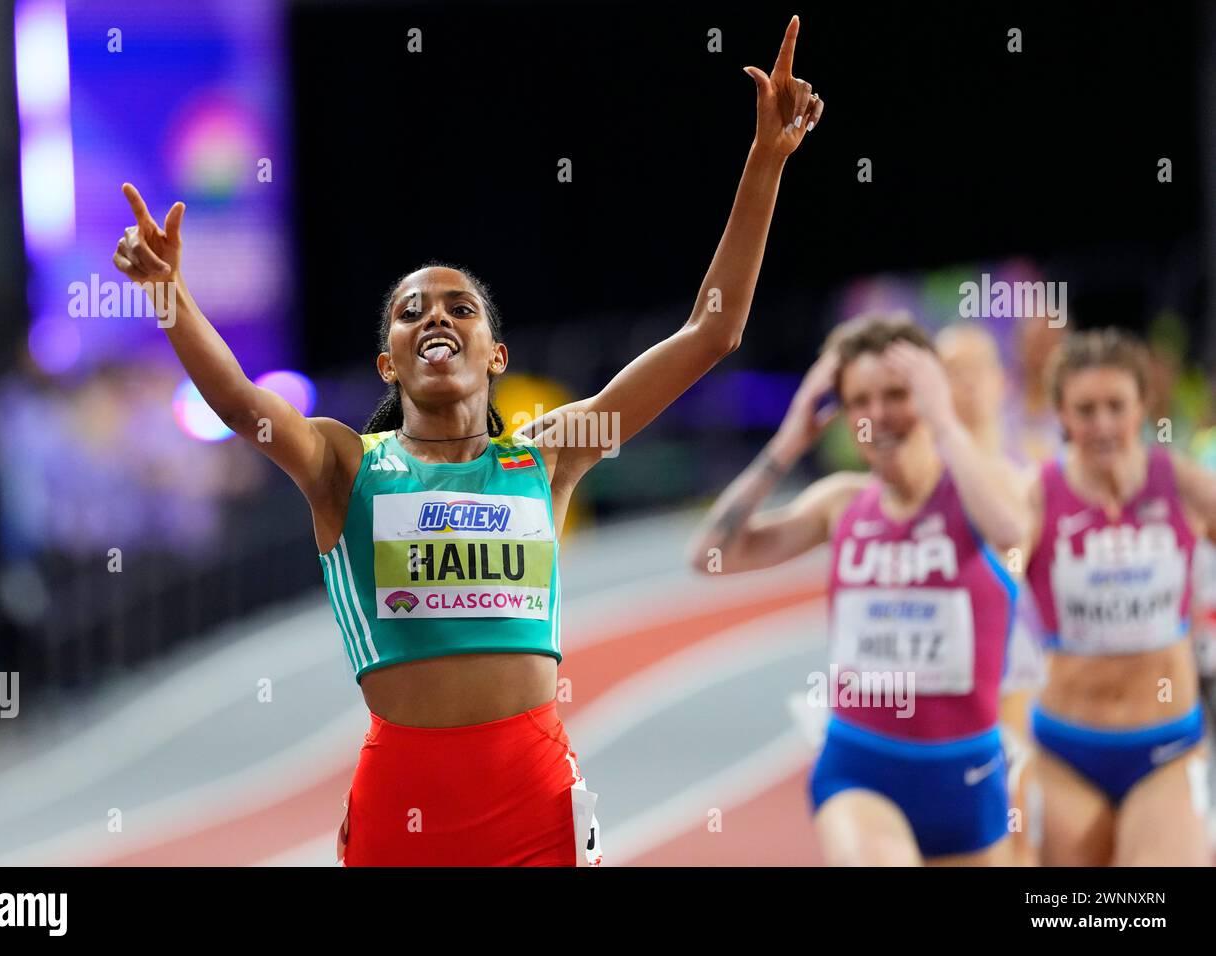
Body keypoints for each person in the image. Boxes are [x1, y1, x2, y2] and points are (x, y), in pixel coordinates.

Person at [111, 14, 824, 866]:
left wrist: (763, 164)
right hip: (402, 803)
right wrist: (170, 296)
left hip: (533, 796)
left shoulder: (549, 453)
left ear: (497, 354)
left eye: (460, 308)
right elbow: (235, 402)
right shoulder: (345, 468)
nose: (436, 317)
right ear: (388, 361)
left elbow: (711, 335)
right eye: (412, 311)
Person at [690, 316, 1024, 865]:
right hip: (860, 771)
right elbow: (708, 555)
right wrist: (790, 437)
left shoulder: (985, 490)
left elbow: (1012, 532)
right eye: (859, 401)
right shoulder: (841, 504)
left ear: (930, 392)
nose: (878, 416)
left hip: (970, 779)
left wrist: (943, 420)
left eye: (897, 394)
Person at [1023, 328, 1211, 866]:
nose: (1102, 424)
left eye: (1115, 406)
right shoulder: (1037, 495)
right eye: (1085, 409)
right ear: (1060, 414)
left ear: (1142, 407)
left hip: (1166, 747)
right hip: (1065, 749)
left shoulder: (1180, 483)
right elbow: (995, 575)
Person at [936, 323, 1043, 864]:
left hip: (1018, 659)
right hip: (946, 663)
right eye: (953, 373)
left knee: (1016, 809)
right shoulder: (925, 469)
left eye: (978, 369)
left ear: (1002, 381)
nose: (968, 384)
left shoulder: (1038, 462)